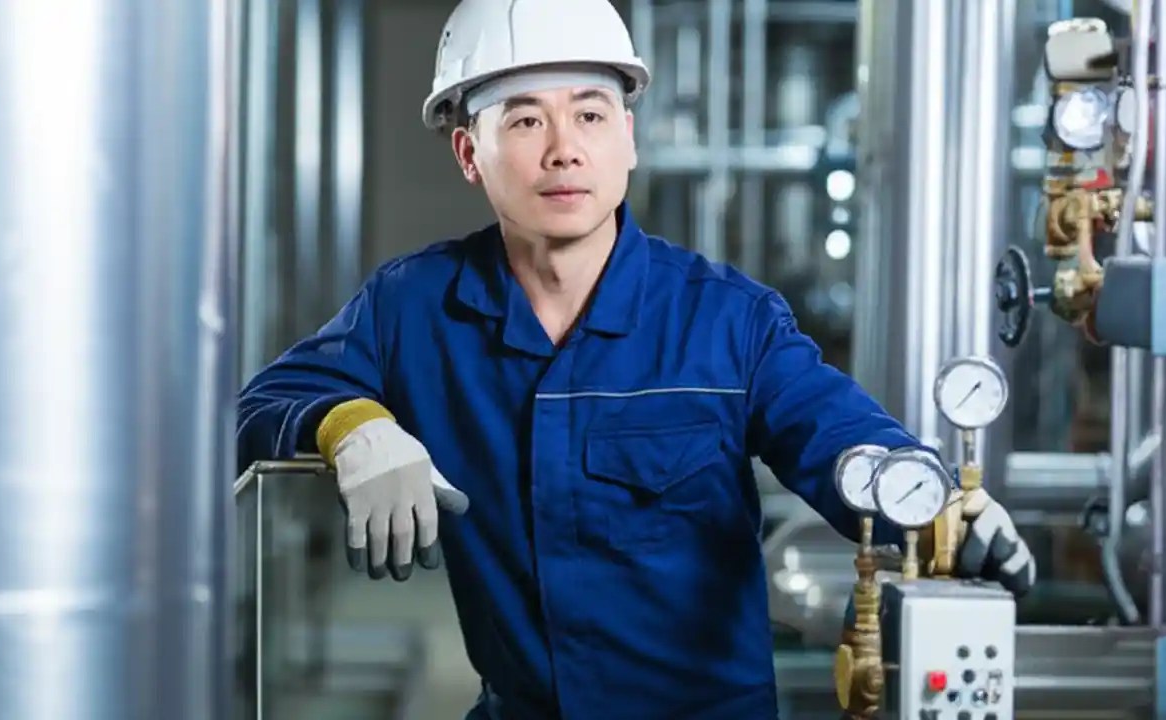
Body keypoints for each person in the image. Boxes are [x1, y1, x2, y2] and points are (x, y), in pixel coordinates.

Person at [236, 1, 1036, 717]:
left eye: (590, 115)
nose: (562, 151)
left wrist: (937, 514)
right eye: (522, 121)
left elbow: (841, 437)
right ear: (468, 152)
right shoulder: (417, 307)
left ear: (630, 139)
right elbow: (259, 406)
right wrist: (354, 426)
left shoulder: (728, 321)